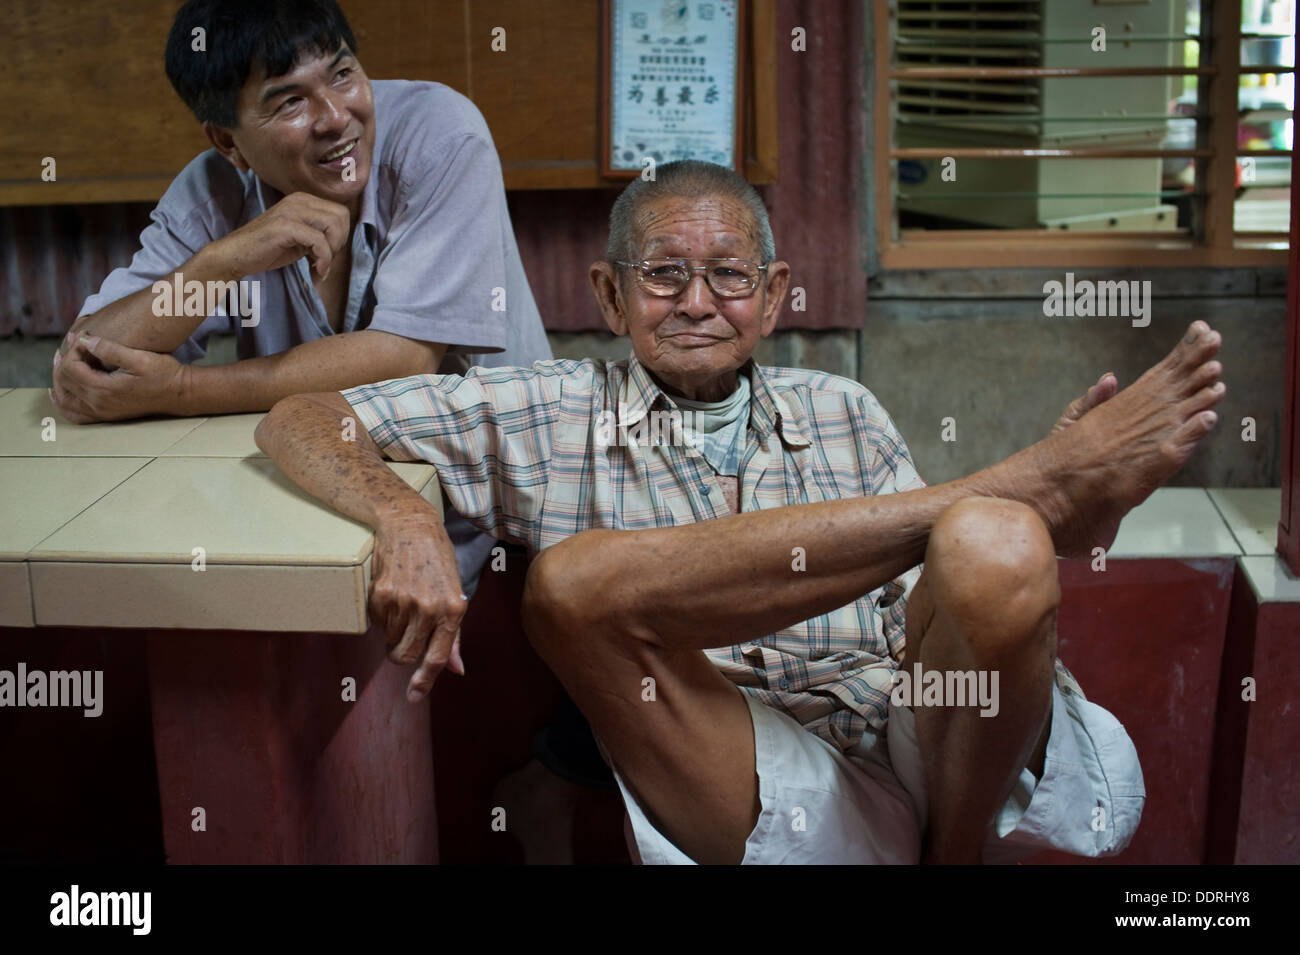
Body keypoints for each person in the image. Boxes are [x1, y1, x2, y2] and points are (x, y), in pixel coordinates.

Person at [254, 160, 1227, 864]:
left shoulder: (840, 408)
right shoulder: (543, 408)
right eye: (662, 273)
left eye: (728, 276)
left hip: (911, 734)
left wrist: (1062, 527)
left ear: (770, 298)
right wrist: (404, 518)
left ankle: (953, 861)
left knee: (997, 537)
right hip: (735, 758)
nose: (695, 302)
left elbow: (946, 614)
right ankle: (1032, 478)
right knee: (573, 582)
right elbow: (300, 418)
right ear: (609, 294)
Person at [49, 0, 550, 598]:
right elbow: (95, 357)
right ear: (227, 143)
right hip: (332, 485)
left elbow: (404, 358)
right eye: (289, 101)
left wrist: (182, 392)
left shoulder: (441, 135)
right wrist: (224, 259)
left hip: (498, 502)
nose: (337, 118)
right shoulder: (214, 188)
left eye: (343, 74)